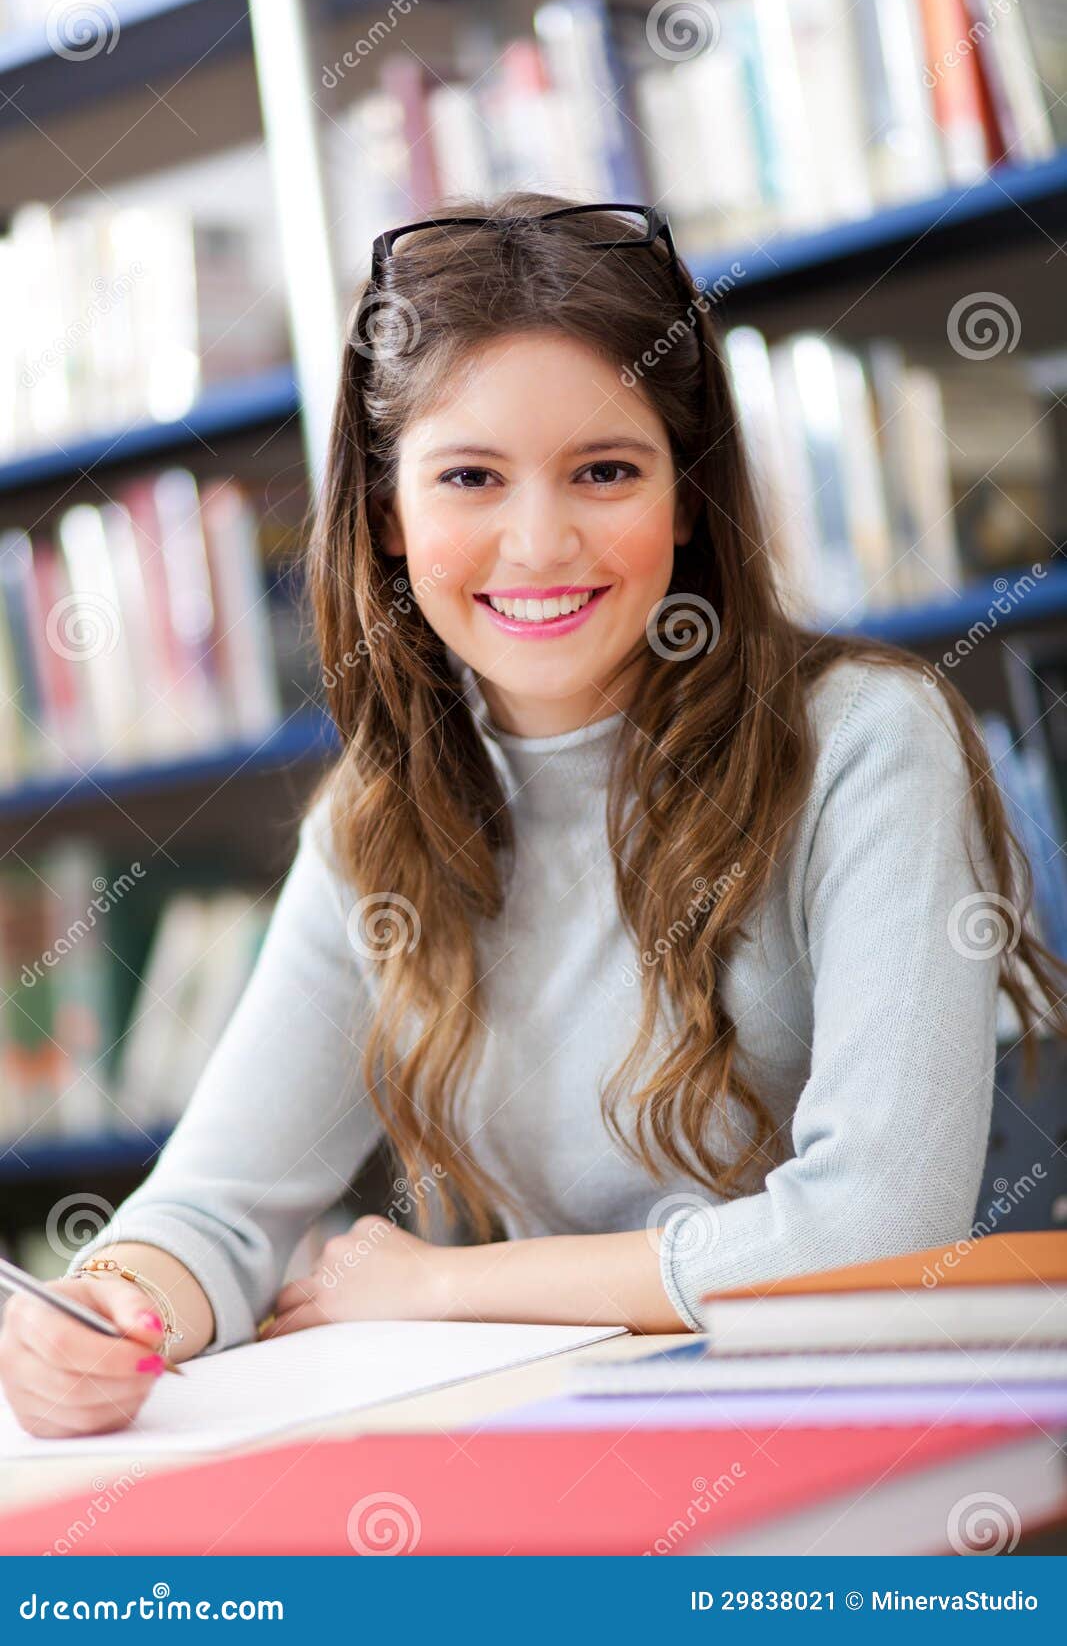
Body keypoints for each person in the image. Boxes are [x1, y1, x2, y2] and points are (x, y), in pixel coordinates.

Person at [3, 193, 1063, 1440]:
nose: (539, 540)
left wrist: (442, 1286)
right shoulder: (373, 825)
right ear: (391, 520)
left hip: (901, 1434)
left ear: (683, 495)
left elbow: (880, 1225)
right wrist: (112, 1306)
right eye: (469, 477)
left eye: (604, 470)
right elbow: (219, 1209)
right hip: (583, 1429)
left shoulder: (867, 741)